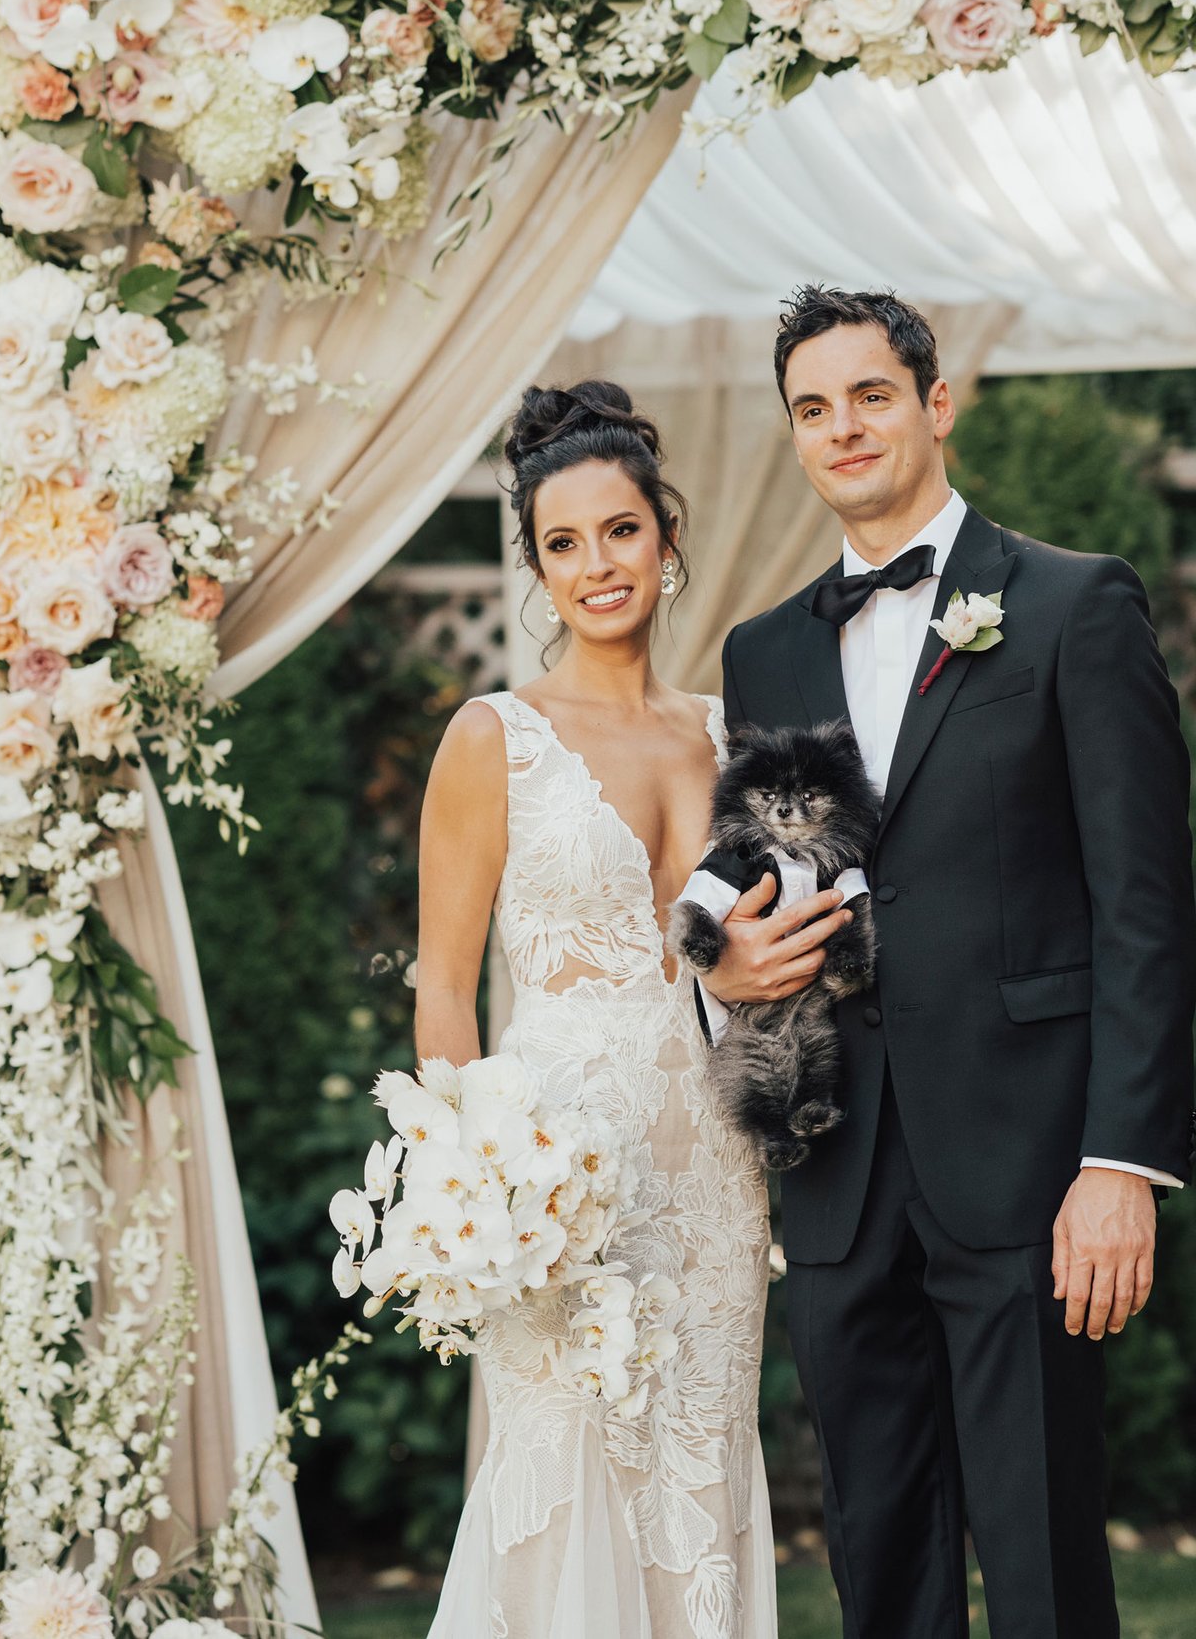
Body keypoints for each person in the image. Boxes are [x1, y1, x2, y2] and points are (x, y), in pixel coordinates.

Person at [703, 285, 1196, 1639]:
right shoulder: (764, 652)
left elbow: (1146, 906)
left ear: (934, 404)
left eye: (870, 394)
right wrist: (733, 964)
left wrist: (1121, 1164)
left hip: (1033, 1167)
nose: (842, 427)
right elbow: (761, 884)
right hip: (842, 1168)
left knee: (1040, 1557)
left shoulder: (1071, 607)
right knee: (879, 1554)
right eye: (813, 407)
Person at [415, 381, 851, 1638]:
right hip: (557, 1176)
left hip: (714, 1170)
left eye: (618, 531)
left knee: (699, 1466)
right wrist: (473, 1184)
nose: (595, 564)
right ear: (537, 570)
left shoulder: (735, 740)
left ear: (662, 541)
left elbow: (782, 961)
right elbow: (444, 983)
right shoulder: (489, 738)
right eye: (562, 542)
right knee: (564, 1471)